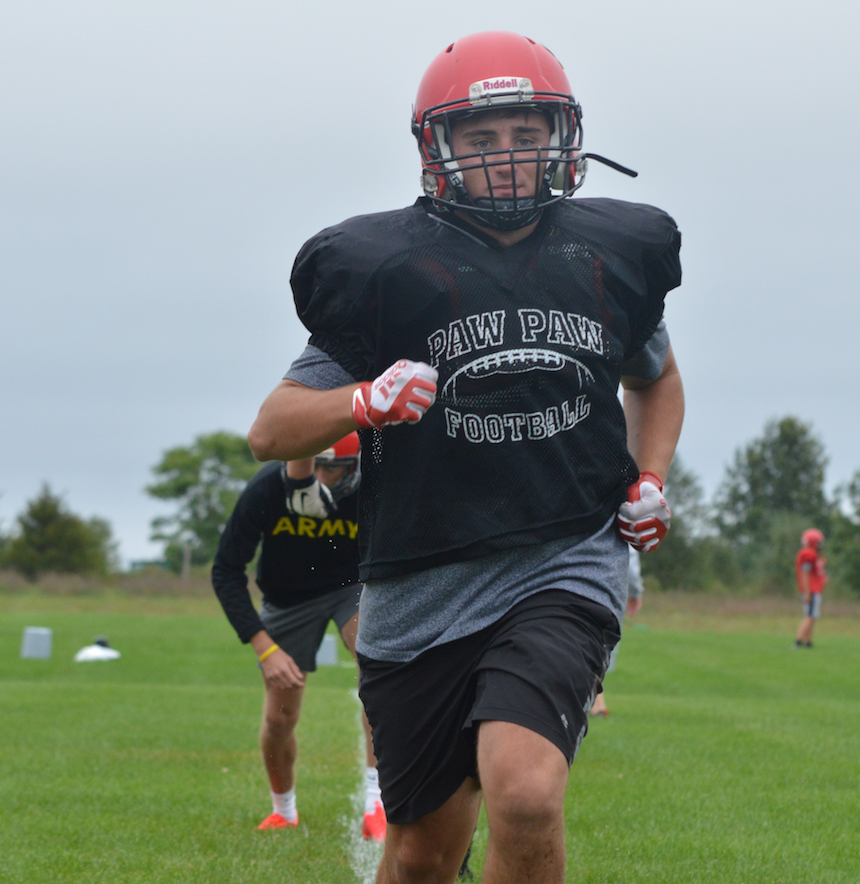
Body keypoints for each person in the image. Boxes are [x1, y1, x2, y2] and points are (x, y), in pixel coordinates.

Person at [246, 30, 685, 884]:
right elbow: (272, 429)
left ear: (562, 135)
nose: (506, 157)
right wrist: (364, 401)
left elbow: (657, 381)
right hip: (419, 583)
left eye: (524, 133)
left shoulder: (606, 253)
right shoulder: (383, 269)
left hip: (564, 560)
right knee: (420, 855)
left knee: (525, 794)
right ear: (435, 148)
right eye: (480, 139)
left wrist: (651, 476)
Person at [210, 435, 388, 840]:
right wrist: (264, 647)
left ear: (355, 465)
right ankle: (283, 810)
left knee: (378, 672)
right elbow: (225, 570)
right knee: (280, 716)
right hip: (288, 597)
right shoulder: (268, 486)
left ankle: (377, 803)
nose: (321, 478)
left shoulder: (376, 484)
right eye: (314, 466)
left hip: (354, 585)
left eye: (333, 469)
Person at [591, 546, 643, 717]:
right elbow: (631, 561)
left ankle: (597, 704)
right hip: (605, 593)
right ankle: (596, 705)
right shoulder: (615, 521)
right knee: (598, 648)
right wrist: (635, 591)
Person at [795, 529, 827, 648]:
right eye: (818, 541)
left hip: (813, 589)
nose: (820, 544)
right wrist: (807, 593)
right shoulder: (808, 553)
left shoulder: (813, 554)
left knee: (811, 616)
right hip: (811, 590)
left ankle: (808, 642)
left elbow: (815, 572)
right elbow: (805, 574)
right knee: (810, 616)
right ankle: (798, 642)